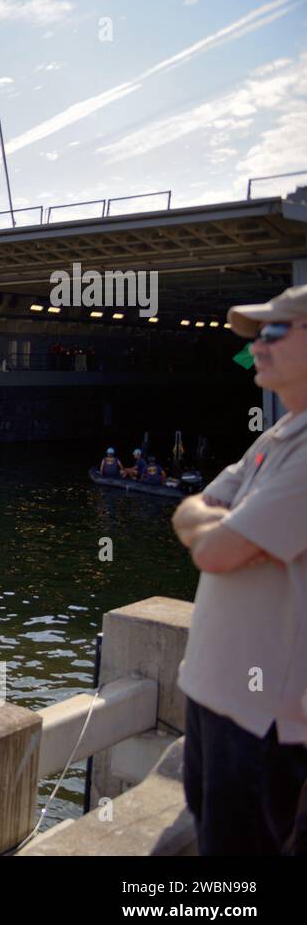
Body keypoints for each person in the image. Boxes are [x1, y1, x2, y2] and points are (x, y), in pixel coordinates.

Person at [171, 282, 307, 855]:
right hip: (214, 696)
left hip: (262, 718)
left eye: (274, 331)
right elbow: (188, 510)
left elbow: (211, 552)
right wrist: (219, 529)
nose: (257, 346)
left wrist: (220, 534)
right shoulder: (278, 436)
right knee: (211, 838)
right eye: (255, 336)